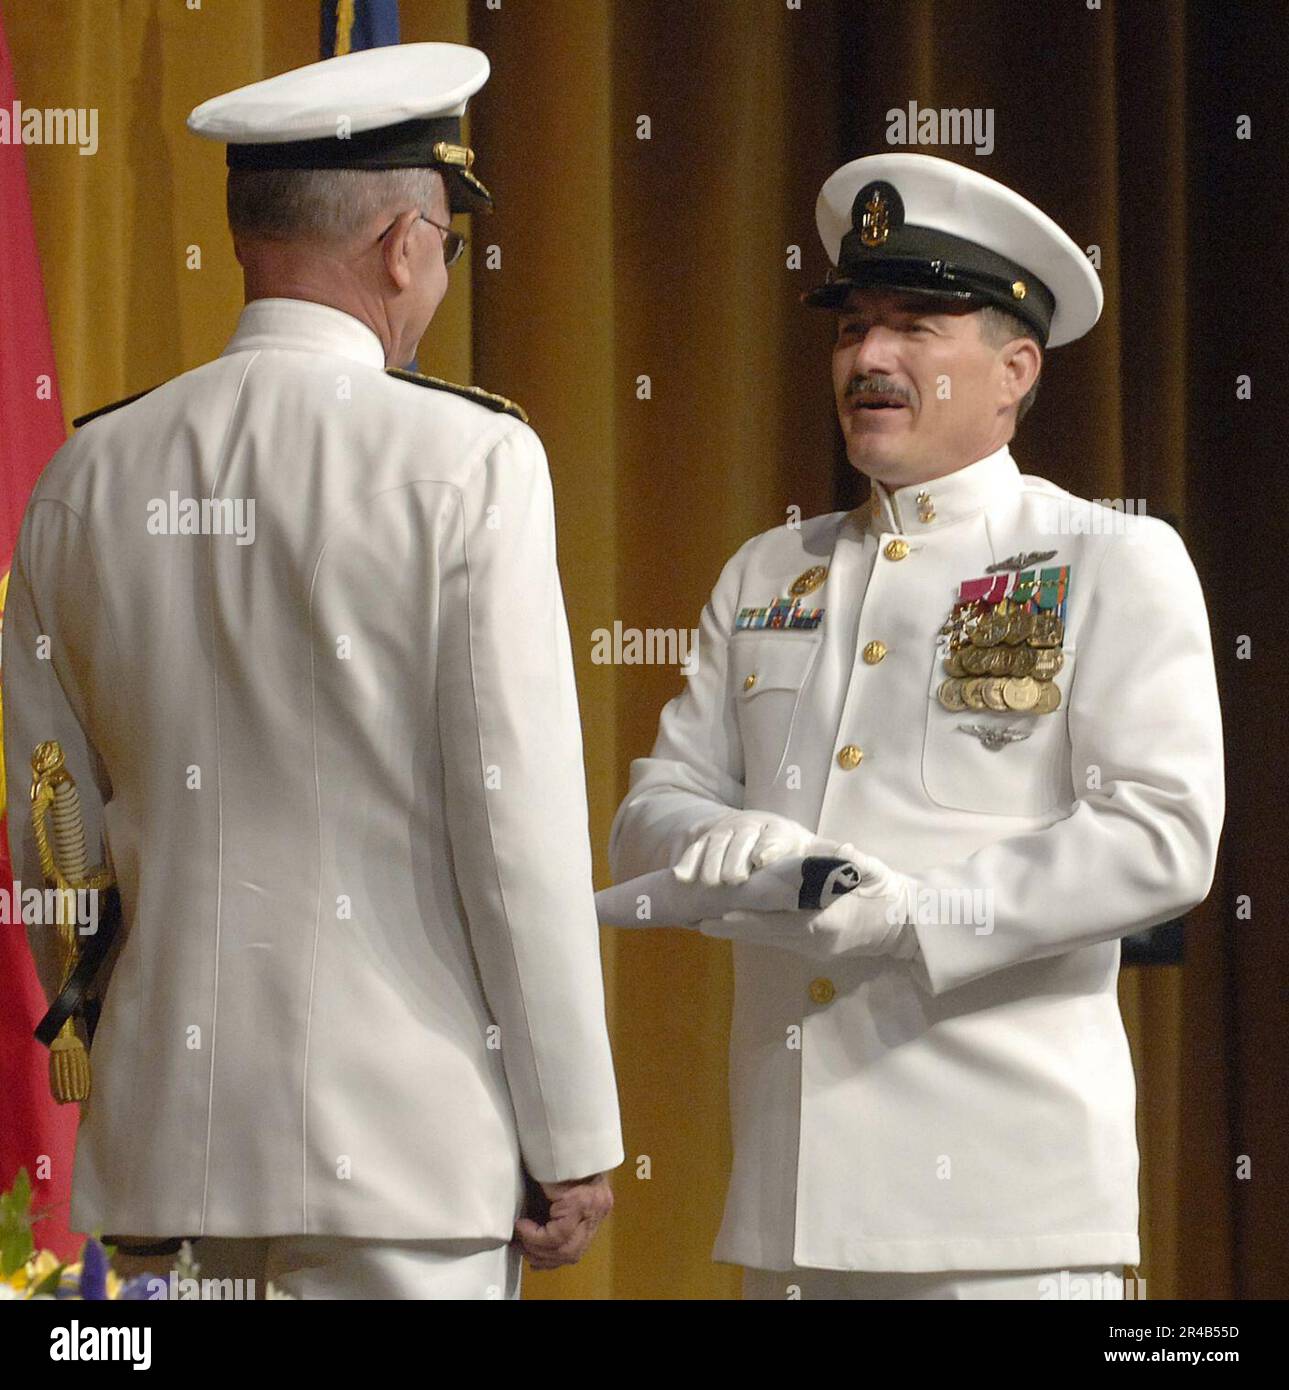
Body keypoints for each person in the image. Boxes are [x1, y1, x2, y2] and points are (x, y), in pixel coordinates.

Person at [2, 42, 622, 1300]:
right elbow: (517, 833)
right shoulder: (470, 461)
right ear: (402, 244)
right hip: (407, 1154)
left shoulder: (87, 473)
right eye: (444, 245)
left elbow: (45, 827)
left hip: (168, 1155)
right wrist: (570, 1138)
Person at [607, 152, 1224, 1300]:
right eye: (851, 328)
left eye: (914, 326)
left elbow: (1162, 836)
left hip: (997, 1218)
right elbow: (649, 811)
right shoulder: (766, 569)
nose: (868, 358)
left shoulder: (1106, 557)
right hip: (790, 1216)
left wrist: (913, 915)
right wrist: (716, 839)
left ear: (1013, 369)